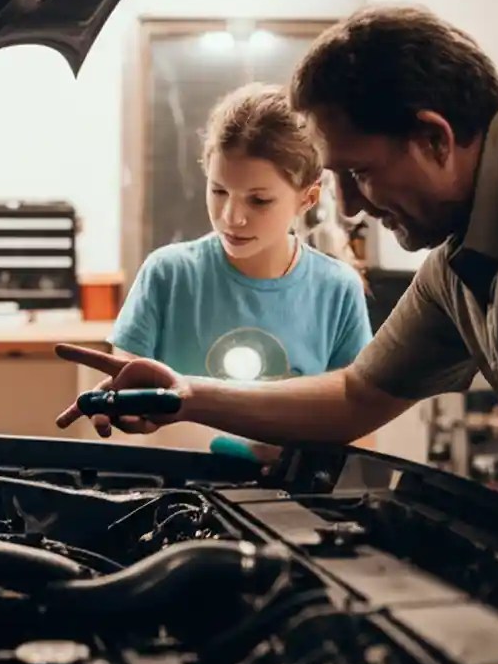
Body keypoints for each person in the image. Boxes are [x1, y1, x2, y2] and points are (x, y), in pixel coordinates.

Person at [57, 5, 498, 600]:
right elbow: (354, 394)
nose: (351, 207)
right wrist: (185, 395)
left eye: (359, 173)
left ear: (434, 137)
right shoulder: (465, 254)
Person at [106, 82, 373, 459]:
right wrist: (122, 408)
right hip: (174, 497)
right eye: (218, 192)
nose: (232, 217)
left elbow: (357, 428)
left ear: (308, 197)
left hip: (286, 507)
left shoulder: (338, 289)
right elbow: (128, 408)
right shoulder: (167, 274)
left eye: (259, 200)